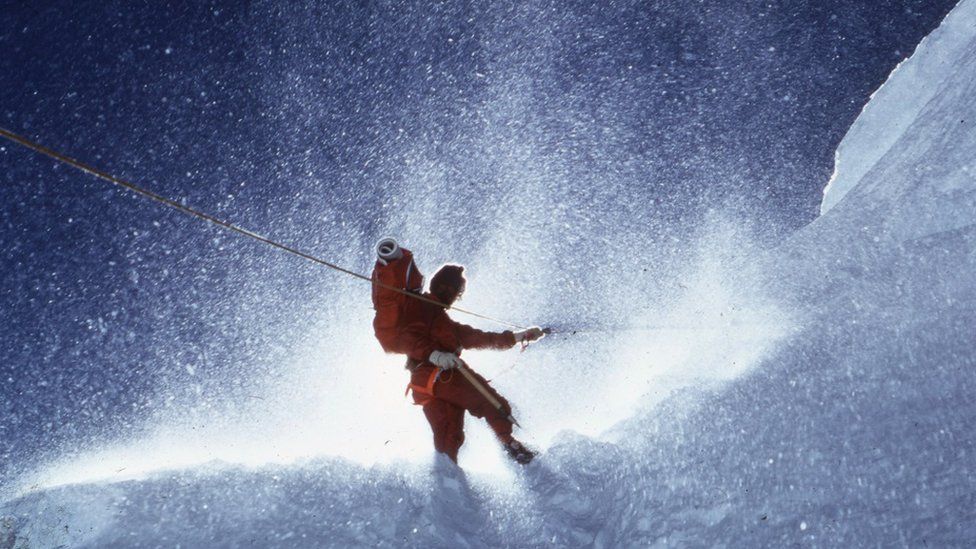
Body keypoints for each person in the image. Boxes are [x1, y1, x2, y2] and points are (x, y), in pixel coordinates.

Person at [395, 264, 545, 465]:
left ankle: (447, 474)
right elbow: (408, 336)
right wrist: (435, 356)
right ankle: (512, 447)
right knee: (492, 402)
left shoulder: (446, 323)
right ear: (446, 288)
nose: (458, 297)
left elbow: (481, 338)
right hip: (439, 375)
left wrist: (519, 336)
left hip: (424, 386)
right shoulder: (422, 308)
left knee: (450, 433)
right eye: (458, 291)